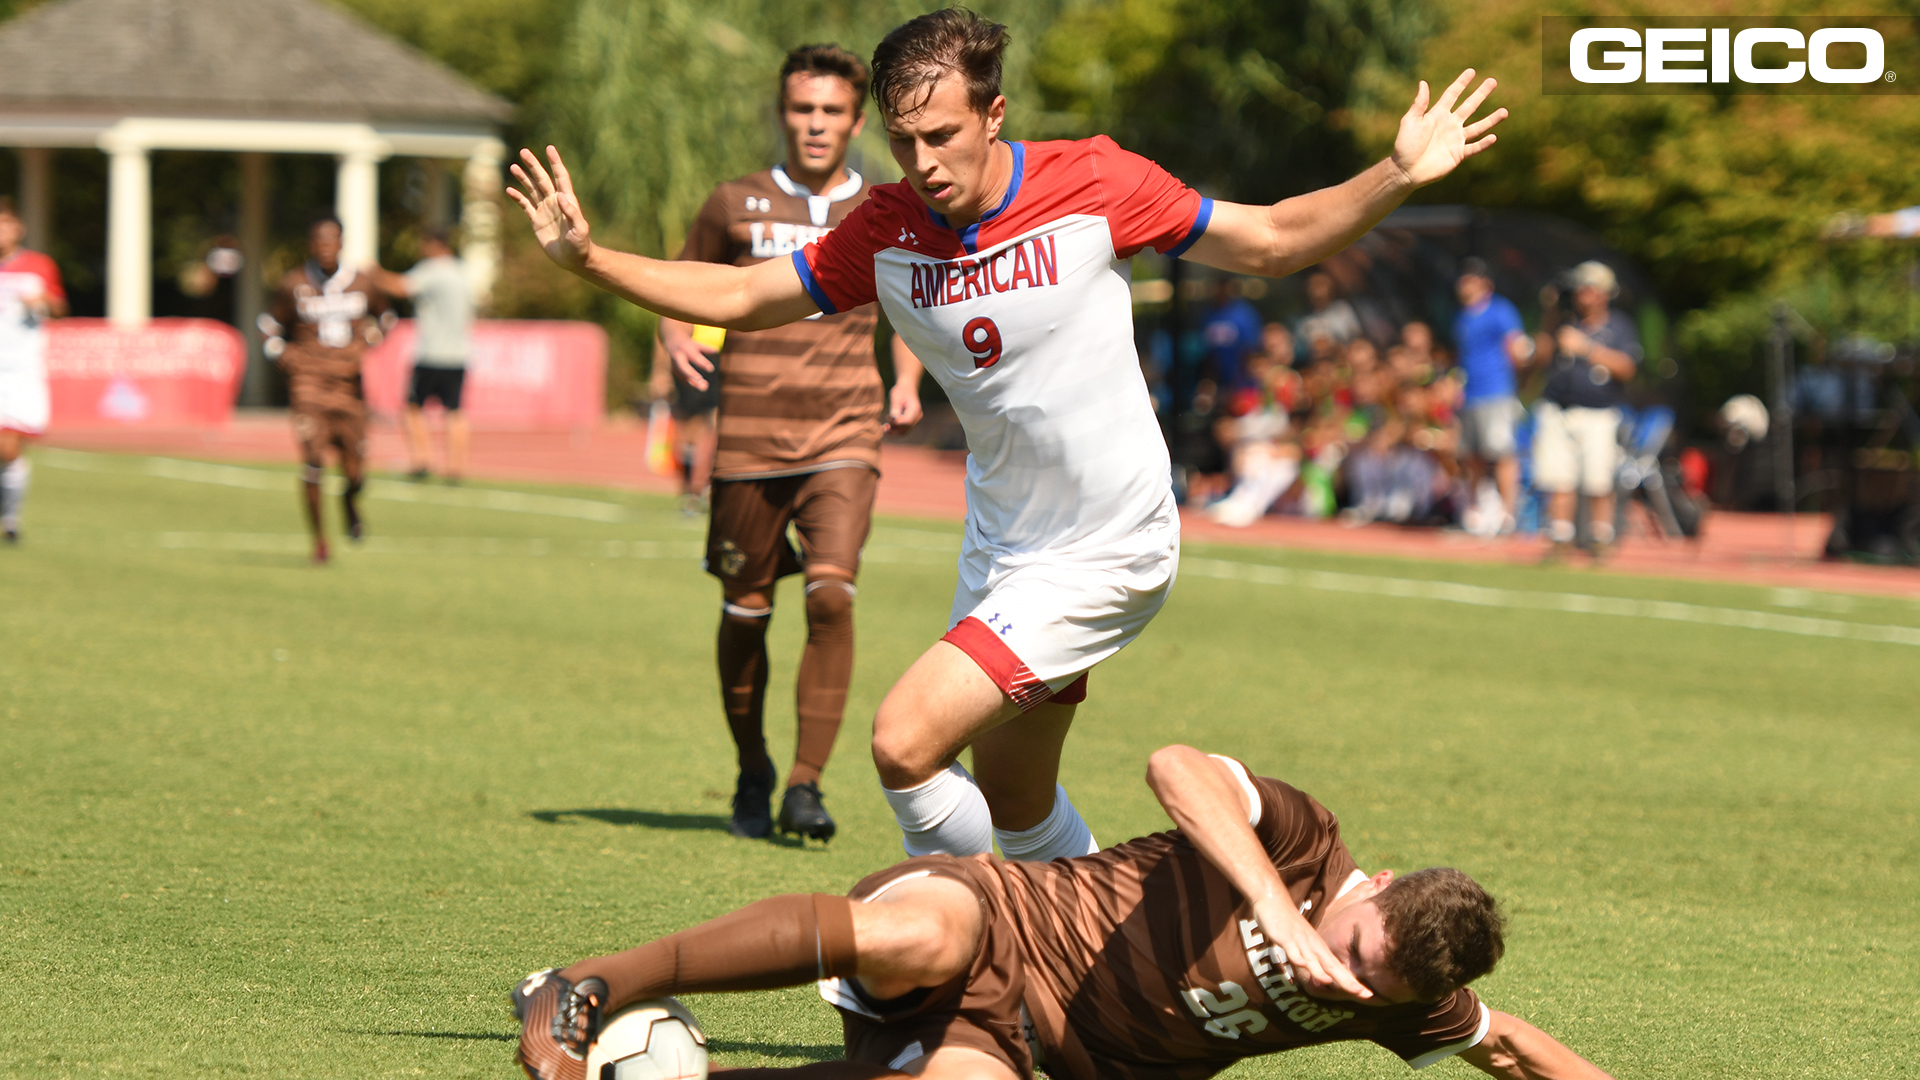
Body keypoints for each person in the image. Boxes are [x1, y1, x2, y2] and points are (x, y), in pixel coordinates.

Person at [508, 7, 1505, 862]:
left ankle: (971, 969)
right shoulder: (886, 226)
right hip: (1003, 548)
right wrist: (590, 258)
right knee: (1020, 807)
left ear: (995, 112)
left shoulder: (1097, 182)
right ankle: (1086, 971)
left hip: (1110, 545)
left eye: (944, 134)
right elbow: (738, 291)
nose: (924, 162)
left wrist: (1396, 173)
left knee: (903, 744)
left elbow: (1278, 238)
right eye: (903, 143)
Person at [512, 743, 1616, 1080]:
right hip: (996, 917)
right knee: (919, 933)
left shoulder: (1395, 994)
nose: (1355, 982)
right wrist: (1273, 905)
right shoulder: (1305, 843)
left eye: (1382, 990)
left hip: (1021, 1047)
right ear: (1372, 891)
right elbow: (1178, 768)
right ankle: (596, 984)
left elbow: (1513, 1050)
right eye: (1360, 956)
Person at [652, 44, 928, 842]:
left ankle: (806, 785)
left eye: (833, 111)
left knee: (832, 594)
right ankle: (753, 767)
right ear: (784, 113)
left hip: (845, 427)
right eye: (803, 109)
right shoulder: (732, 201)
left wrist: (906, 380)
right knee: (745, 614)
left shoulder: (886, 207)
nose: (816, 124)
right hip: (747, 437)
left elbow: (912, 301)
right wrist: (676, 337)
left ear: (855, 120)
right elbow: (681, 283)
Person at [263, 216, 389, 565]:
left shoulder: (363, 283)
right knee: (313, 463)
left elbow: (386, 318)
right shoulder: (294, 283)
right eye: (318, 240)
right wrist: (281, 353)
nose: (324, 247)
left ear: (342, 243)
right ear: (311, 244)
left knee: (355, 472)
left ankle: (350, 500)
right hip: (309, 386)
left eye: (331, 240)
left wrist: (369, 340)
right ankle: (319, 542)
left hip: (350, 387)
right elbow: (268, 327)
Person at [1530, 261, 1640, 561]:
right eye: (1580, 288)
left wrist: (1587, 349)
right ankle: (1560, 537)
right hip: (1558, 409)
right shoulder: (1563, 322)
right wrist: (1549, 313)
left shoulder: (1618, 325)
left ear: (1605, 293)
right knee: (1558, 477)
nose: (1583, 294)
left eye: (1590, 288)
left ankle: (1600, 538)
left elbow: (1628, 367)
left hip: (1599, 412)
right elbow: (1538, 357)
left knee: (1598, 479)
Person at [364, 226, 474, 483]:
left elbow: (401, 287)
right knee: (455, 411)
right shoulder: (461, 271)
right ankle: (456, 467)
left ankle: (422, 461)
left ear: (434, 244)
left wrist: (373, 274)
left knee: (413, 407)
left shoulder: (433, 271)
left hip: (432, 353)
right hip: (459, 353)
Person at [0, 196, 64, 544]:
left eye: (6, 224)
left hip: (22, 371)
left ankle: (9, 518)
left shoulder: (38, 266)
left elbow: (58, 307)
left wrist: (44, 302)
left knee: (9, 448)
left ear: (18, 228)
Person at [1450, 258, 1529, 536]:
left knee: (1503, 452)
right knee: (1472, 456)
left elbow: (1517, 348)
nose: (1464, 284)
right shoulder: (1462, 317)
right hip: (1471, 394)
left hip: (1496, 391)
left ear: (1485, 283)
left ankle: (1508, 515)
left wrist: (1518, 382)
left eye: (1470, 279)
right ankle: (1475, 510)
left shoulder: (1500, 310)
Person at [1199, 277, 1263, 392]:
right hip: (1217, 379)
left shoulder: (1244, 314)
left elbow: (1251, 350)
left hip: (1241, 380)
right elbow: (1207, 351)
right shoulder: (1208, 314)